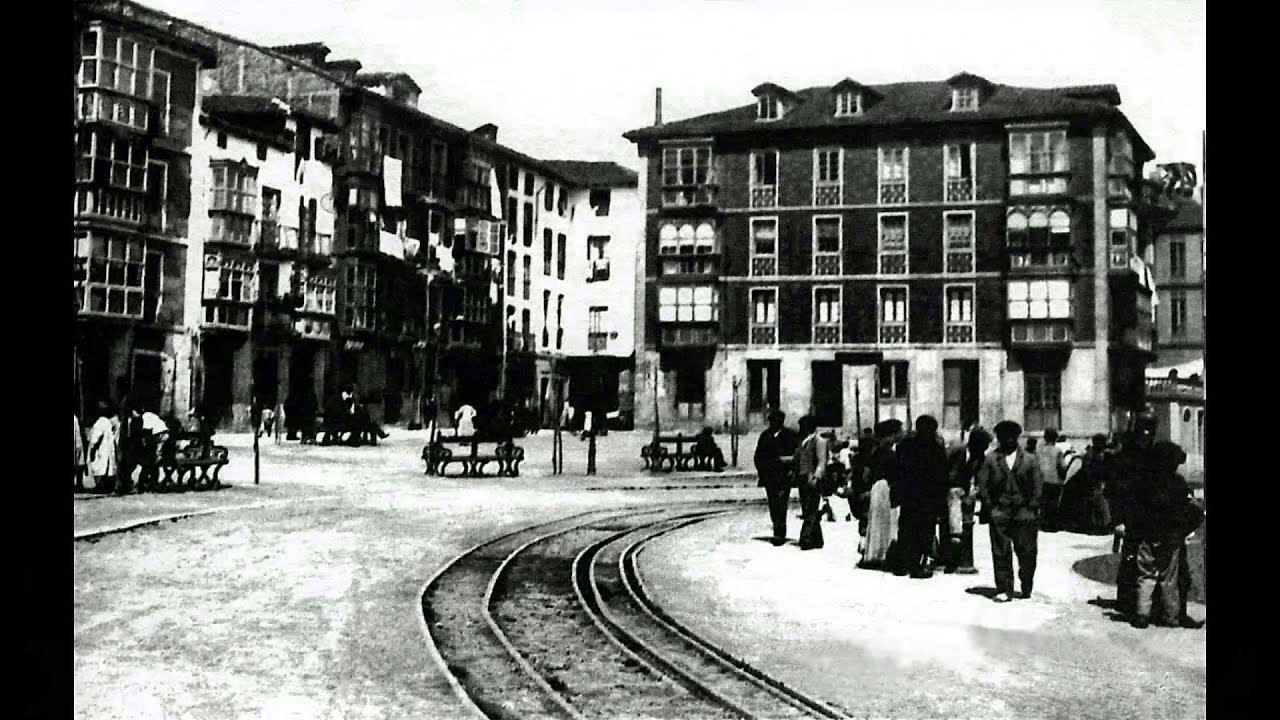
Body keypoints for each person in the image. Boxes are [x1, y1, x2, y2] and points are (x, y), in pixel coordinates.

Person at [1125, 441, 1203, 629]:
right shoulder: (1177, 483)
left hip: (1147, 534)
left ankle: (1142, 614)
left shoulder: (1143, 482)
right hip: (1170, 535)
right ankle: (1171, 616)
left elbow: (1134, 507)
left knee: (1145, 575)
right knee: (1169, 578)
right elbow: (1189, 507)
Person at [976, 420, 1043, 603]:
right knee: (1001, 551)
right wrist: (991, 507)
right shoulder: (991, 459)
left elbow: (1038, 486)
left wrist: (1032, 507)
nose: (1008, 440)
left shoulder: (1030, 459)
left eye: (1012, 436)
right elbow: (983, 486)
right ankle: (1005, 588)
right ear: (999, 438)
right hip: (1000, 512)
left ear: (1017, 437)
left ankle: (1026, 583)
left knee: (1027, 552)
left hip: (1024, 513)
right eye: (1004, 437)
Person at [893, 415, 950, 578]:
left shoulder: (904, 446)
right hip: (927, 499)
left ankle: (902, 564)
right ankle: (918, 566)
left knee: (906, 529)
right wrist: (940, 500)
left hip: (909, 496)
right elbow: (942, 477)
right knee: (924, 531)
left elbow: (897, 471)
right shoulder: (936, 448)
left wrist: (898, 492)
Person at [1112, 415, 1158, 616]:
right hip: (1130, 514)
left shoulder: (1154, 454)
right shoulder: (1126, 455)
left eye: (1150, 428)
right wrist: (1119, 519)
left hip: (1147, 514)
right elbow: (1118, 490)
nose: (1147, 433)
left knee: (1146, 560)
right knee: (1129, 557)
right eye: (1144, 428)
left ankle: (1144, 602)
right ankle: (1126, 599)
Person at [946, 426, 992, 574]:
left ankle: (957, 538)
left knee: (964, 509)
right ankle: (956, 535)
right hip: (949, 488)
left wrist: (975, 491)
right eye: (983, 446)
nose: (984, 450)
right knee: (954, 499)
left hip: (964, 491)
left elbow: (979, 477)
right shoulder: (956, 450)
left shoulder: (980, 457)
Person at [859, 419, 903, 569]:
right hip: (886, 488)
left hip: (876, 487)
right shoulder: (890, 453)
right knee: (886, 521)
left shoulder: (875, 451)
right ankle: (884, 552)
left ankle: (874, 553)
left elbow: (866, 474)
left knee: (876, 520)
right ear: (892, 434)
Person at [753, 409, 798, 546]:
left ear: (782, 421)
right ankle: (776, 527)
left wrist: (791, 469)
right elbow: (758, 457)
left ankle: (780, 532)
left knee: (782, 503)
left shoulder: (790, 436)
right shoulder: (765, 436)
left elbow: (797, 456)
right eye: (772, 421)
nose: (774, 423)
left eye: (777, 421)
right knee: (773, 503)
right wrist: (763, 471)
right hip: (770, 477)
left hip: (785, 476)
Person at [794, 416, 829, 550]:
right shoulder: (803, 441)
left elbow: (821, 461)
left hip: (812, 478)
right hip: (802, 478)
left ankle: (806, 538)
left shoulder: (819, 441)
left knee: (811, 508)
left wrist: (816, 476)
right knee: (807, 508)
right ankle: (817, 539)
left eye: (803, 426)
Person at [1036, 429, 1066, 531]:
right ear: (1056, 438)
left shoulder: (1038, 450)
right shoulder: (1058, 450)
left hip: (1041, 479)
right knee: (1053, 504)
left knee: (1043, 503)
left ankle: (1042, 524)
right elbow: (1062, 466)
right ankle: (1051, 525)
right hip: (1054, 479)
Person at [87, 401, 118, 494]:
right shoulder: (108, 422)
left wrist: (93, 448)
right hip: (107, 448)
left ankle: (100, 486)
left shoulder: (100, 422)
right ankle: (105, 486)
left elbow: (96, 437)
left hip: (100, 448)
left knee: (98, 466)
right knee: (106, 466)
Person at [74, 413, 87, 492]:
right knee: (79, 464)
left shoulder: (74, 418)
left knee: (79, 465)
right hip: (78, 442)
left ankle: (79, 485)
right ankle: (79, 484)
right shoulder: (75, 418)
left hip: (77, 443)